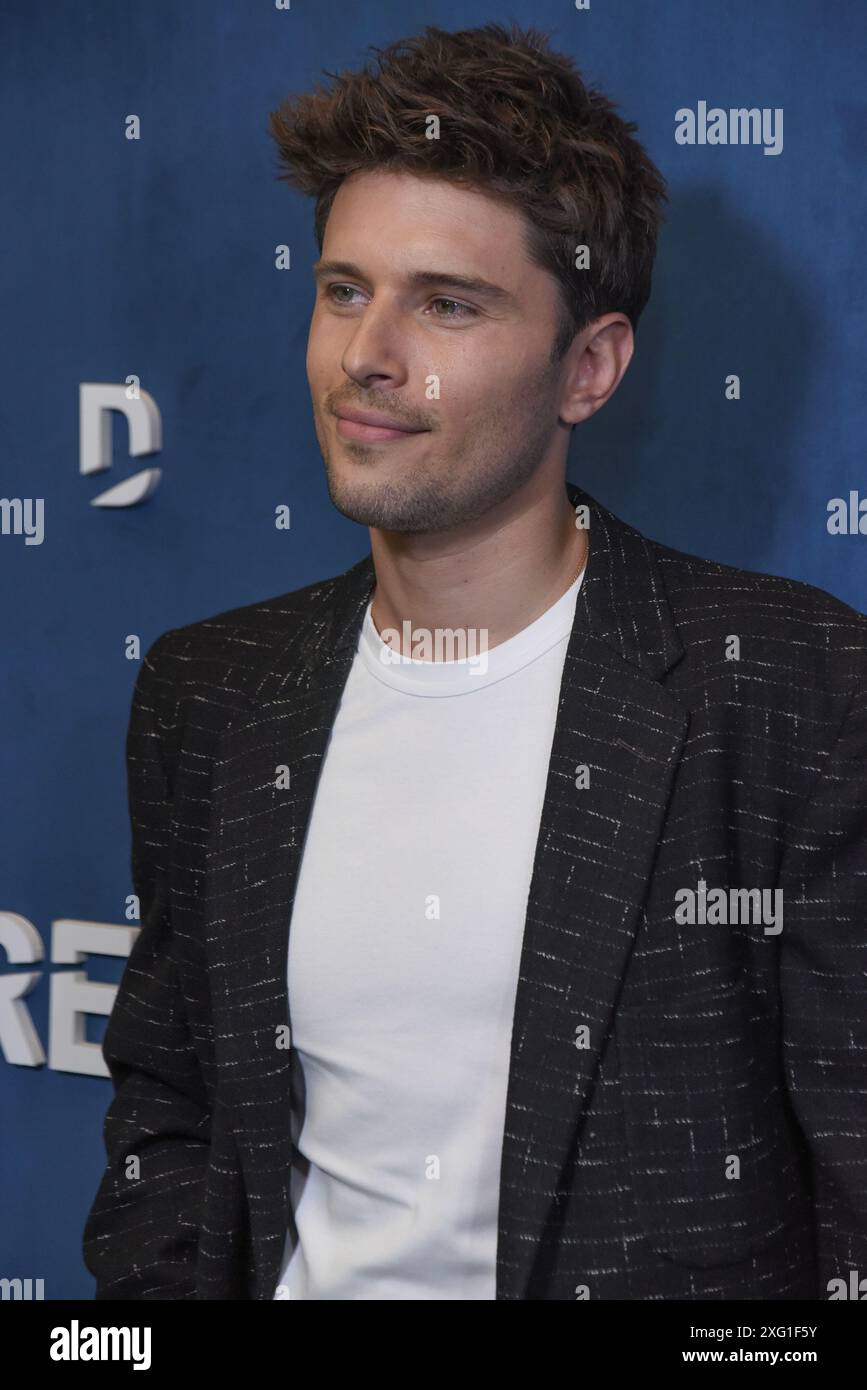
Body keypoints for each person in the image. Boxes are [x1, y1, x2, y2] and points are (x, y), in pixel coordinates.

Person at [83, 22, 867, 1300]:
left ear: (591, 366)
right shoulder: (210, 693)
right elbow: (170, 1110)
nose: (367, 357)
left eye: (446, 303)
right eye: (345, 289)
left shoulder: (794, 688)